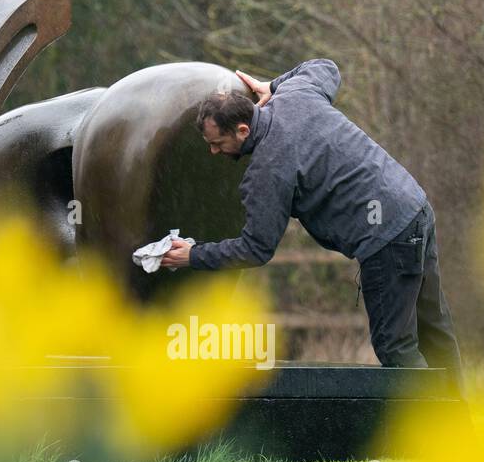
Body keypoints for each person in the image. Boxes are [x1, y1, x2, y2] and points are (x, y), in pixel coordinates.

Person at [160, 59, 464, 393]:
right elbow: (327, 67)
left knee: (396, 347)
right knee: (435, 331)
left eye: (217, 143)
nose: (214, 152)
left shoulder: (268, 171)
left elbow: (255, 248)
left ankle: (435, 436)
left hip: (386, 238)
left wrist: (194, 255)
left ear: (242, 130)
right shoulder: (296, 92)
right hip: (415, 207)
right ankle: (462, 433)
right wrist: (273, 85)